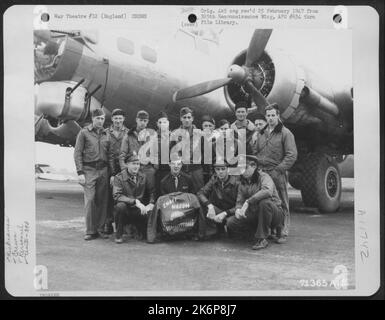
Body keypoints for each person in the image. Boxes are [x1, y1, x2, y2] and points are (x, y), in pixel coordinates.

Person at [254, 103, 297, 237]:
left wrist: (278, 170)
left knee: (282, 202)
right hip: (263, 173)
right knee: (266, 202)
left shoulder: (285, 133)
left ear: (278, 116)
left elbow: (292, 155)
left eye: (273, 115)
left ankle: (283, 231)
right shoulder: (261, 133)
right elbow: (256, 153)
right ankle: (271, 229)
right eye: (268, 116)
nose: (271, 118)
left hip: (277, 174)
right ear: (265, 117)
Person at [226, 155, 285, 250]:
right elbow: (239, 201)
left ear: (254, 166)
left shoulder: (264, 177)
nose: (242, 171)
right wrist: (237, 210)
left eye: (245, 167)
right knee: (231, 222)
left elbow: (267, 191)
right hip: (256, 214)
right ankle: (255, 232)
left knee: (264, 203)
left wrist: (248, 201)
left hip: (275, 214)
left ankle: (263, 238)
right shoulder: (242, 182)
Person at [74, 108, 110, 241]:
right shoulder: (84, 133)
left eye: (102, 119)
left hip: (104, 170)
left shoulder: (107, 134)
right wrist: (80, 172)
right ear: (93, 119)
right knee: (90, 200)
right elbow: (77, 153)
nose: (100, 121)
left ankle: (100, 229)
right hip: (89, 170)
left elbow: (110, 154)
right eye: (97, 118)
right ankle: (90, 230)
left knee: (102, 201)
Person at [113, 150, 155, 244]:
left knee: (151, 211)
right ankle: (119, 234)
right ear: (127, 164)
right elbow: (117, 196)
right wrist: (135, 201)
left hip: (138, 210)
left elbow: (151, 192)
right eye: (133, 164)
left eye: (138, 164)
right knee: (120, 206)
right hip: (126, 211)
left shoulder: (143, 176)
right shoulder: (119, 178)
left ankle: (140, 230)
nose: (136, 166)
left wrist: (151, 203)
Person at [197, 161, 240, 237]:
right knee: (201, 203)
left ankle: (226, 227)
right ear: (215, 171)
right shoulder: (214, 179)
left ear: (228, 170)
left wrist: (226, 213)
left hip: (231, 212)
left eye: (223, 169)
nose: (220, 172)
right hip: (218, 211)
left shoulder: (237, 182)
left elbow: (240, 204)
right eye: (218, 169)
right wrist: (209, 206)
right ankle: (212, 230)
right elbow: (200, 193)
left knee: (233, 232)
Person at [119, 109, 156, 196]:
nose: (142, 123)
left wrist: (154, 169)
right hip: (133, 169)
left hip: (148, 169)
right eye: (140, 120)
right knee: (134, 194)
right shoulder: (129, 135)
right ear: (136, 120)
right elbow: (122, 155)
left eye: (145, 121)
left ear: (147, 122)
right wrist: (125, 170)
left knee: (150, 193)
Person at [105, 108, 129, 234]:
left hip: (123, 167)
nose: (118, 121)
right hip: (109, 168)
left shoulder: (128, 133)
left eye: (120, 118)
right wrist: (112, 174)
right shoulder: (106, 133)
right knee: (109, 197)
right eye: (116, 118)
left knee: (123, 195)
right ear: (112, 119)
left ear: (123, 119)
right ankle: (108, 223)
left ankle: (123, 224)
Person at [170, 106, 204, 193]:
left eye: (189, 117)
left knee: (199, 193)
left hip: (196, 170)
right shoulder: (175, 134)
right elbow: (171, 152)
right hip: (182, 170)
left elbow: (206, 152)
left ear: (192, 118)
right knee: (183, 194)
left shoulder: (199, 133)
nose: (187, 120)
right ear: (181, 118)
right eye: (184, 117)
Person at [154, 111, 171, 198]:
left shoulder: (173, 136)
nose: (163, 124)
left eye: (165, 122)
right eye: (160, 122)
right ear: (157, 124)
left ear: (168, 123)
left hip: (170, 170)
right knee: (158, 193)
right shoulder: (153, 137)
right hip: (158, 171)